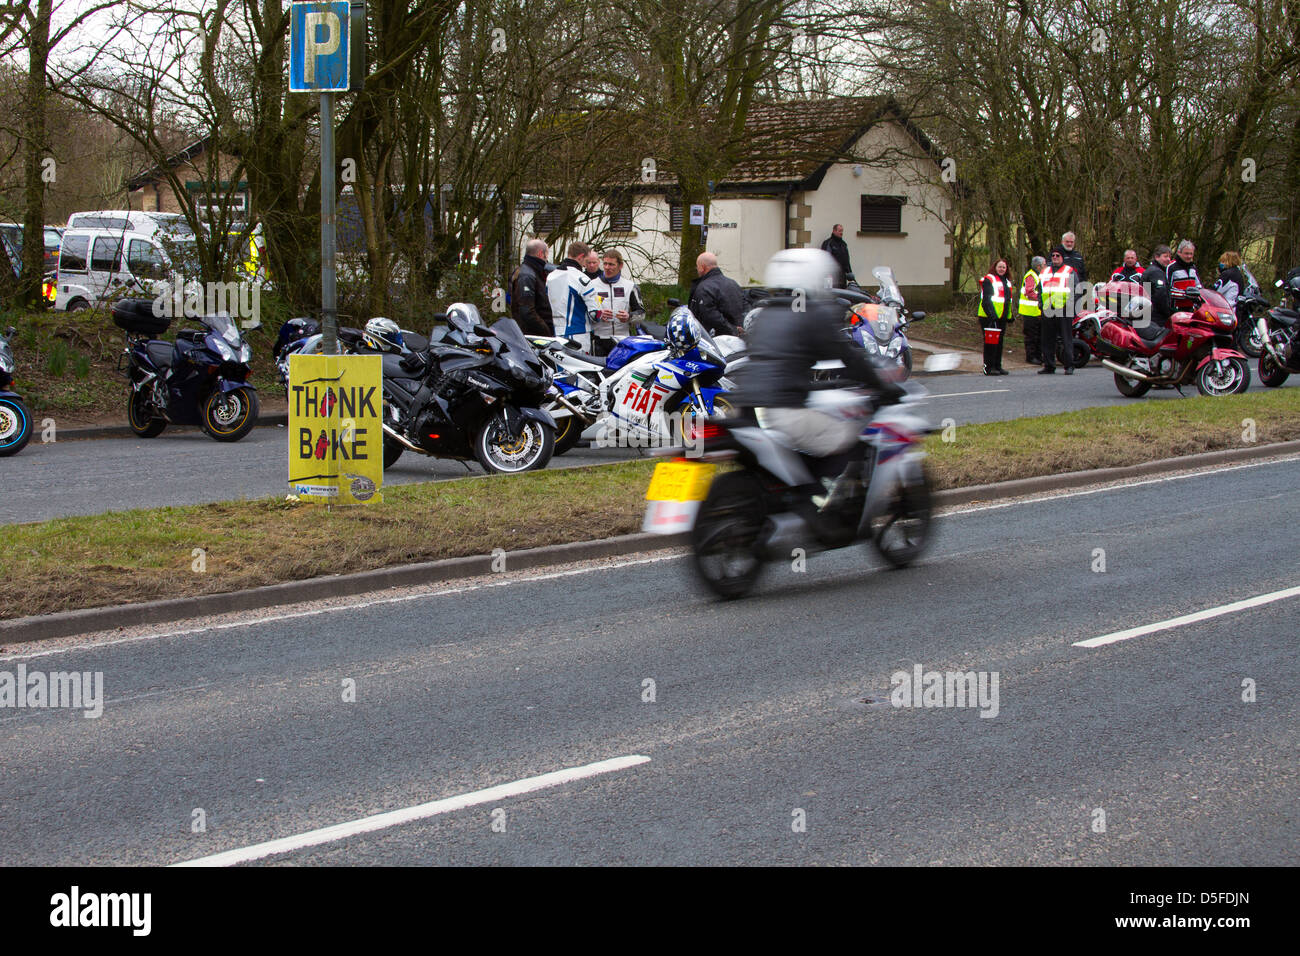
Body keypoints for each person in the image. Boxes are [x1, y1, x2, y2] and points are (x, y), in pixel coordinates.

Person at [735, 248, 904, 512]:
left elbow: (776, 359)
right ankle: (820, 502)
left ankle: (795, 496)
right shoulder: (811, 314)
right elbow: (848, 356)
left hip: (747, 407)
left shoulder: (765, 313)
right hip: (784, 408)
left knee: (802, 448)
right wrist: (882, 385)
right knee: (850, 433)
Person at [588, 248, 645, 355]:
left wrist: (629, 316)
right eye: (605, 264)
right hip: (600, 340)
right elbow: (585, 312)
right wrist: (599, 314)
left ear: (620, 265)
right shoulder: (592, 285)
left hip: (622, 340)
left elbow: (641, 313)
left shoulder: (630, 286)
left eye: (611, 264)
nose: (607, 268)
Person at [547, 240, 597, 349]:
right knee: (580, 366)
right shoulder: (582, 278)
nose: (585, 265)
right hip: (578, 334)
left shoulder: (550, 277)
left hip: (554, 334)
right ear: (580, 257)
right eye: (586, 261)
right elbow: (595, 313)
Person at [1038, 247, 1077, 374]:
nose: (1055, 257)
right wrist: (1040, 304)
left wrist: (1070, 306)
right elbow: (1040, 289)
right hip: (1048, 309)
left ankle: (1069, 365)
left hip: (1064, 309)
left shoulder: (1069, 271)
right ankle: (1049, 365)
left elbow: (1076, 290)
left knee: (1066, 339)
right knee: (1047, 338)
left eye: (1057, 256)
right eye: (1053, 255)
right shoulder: (1045, 272)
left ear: (1062, 258)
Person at [688, 251, 745, 337]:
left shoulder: (703, 288)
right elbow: (744, 306)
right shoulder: (733, 283)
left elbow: (710, 316)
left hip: (716, 340)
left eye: (697, 266)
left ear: (702, 267)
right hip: (739, 339)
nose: (697, 270)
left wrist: (732, 330)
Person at [509, 238, 553, 337]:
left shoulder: (531, 271)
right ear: (541, 254)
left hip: (535, 332)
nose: (547, 260)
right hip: (534, 334)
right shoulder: (527, 275)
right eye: (547, 255)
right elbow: (527, 311)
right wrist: (546, 331)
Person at [978, 258, 1014, 375]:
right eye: (1000, 267)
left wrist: (1009, 316)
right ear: (995, 267)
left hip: (1001, 317)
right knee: (990, 343)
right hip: (988, 317)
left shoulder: (1007, 282)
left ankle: (997, 366)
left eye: (1004, 267)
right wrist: (992, 315)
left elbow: (1007, 301)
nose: (1002, 269)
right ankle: (988, 367)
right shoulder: (989, 279)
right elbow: (986, 300)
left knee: (999, 342)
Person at [1140, 244, 1176, 328]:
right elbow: (1160, 295)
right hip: (1156, 317)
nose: (1168, 259)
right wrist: (1168, 313)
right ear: (1157, 257)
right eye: (1165, 256)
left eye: (1169, 257)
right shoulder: (1156, 272)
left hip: (1148, 314)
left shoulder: (1151, 270)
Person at [1019, 255, 1046, 364]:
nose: (1046, 267)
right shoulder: (1031, 276)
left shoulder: (1038, 276)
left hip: (1036, 312)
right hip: (1030, 312)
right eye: (1044, 265)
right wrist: (1043, 298)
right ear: (1039, 266)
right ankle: (1031, 357)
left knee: (1039, 335)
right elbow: (1029, 292)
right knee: (1031, 336)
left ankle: (1038, 356)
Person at [1167, 240, 1200, 309]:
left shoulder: (1193, 267)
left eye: (1191, 254)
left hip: (1191, 307)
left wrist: (1198, 294)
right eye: (1186, 253)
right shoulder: (1171, 267)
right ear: (1179, 253)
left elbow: (1198, 285)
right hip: (1175, 308)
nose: (1189, 256)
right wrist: (1185, 294)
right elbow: (1167, 289)